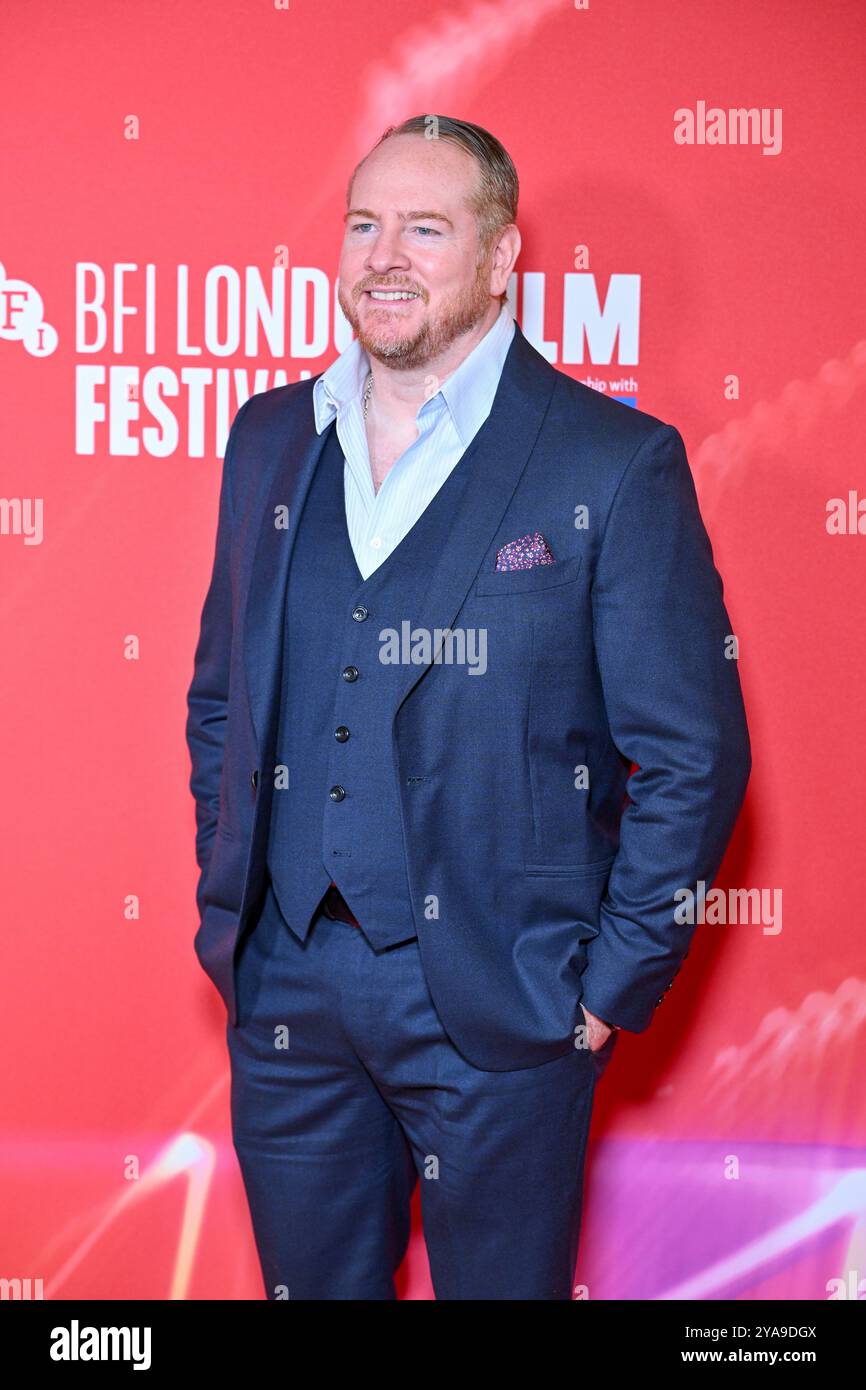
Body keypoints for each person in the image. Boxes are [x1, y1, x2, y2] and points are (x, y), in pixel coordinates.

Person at [185, 114, 751, 1300]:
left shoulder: (610, 461)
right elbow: (222, 700)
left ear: (501, 258)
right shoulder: (270, 439)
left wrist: (606, 989)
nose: (382, 254)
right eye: (363, 223)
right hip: (286, 989)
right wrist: (233, 902)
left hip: (504, 1000)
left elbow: (690, 755)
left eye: (424, 227)